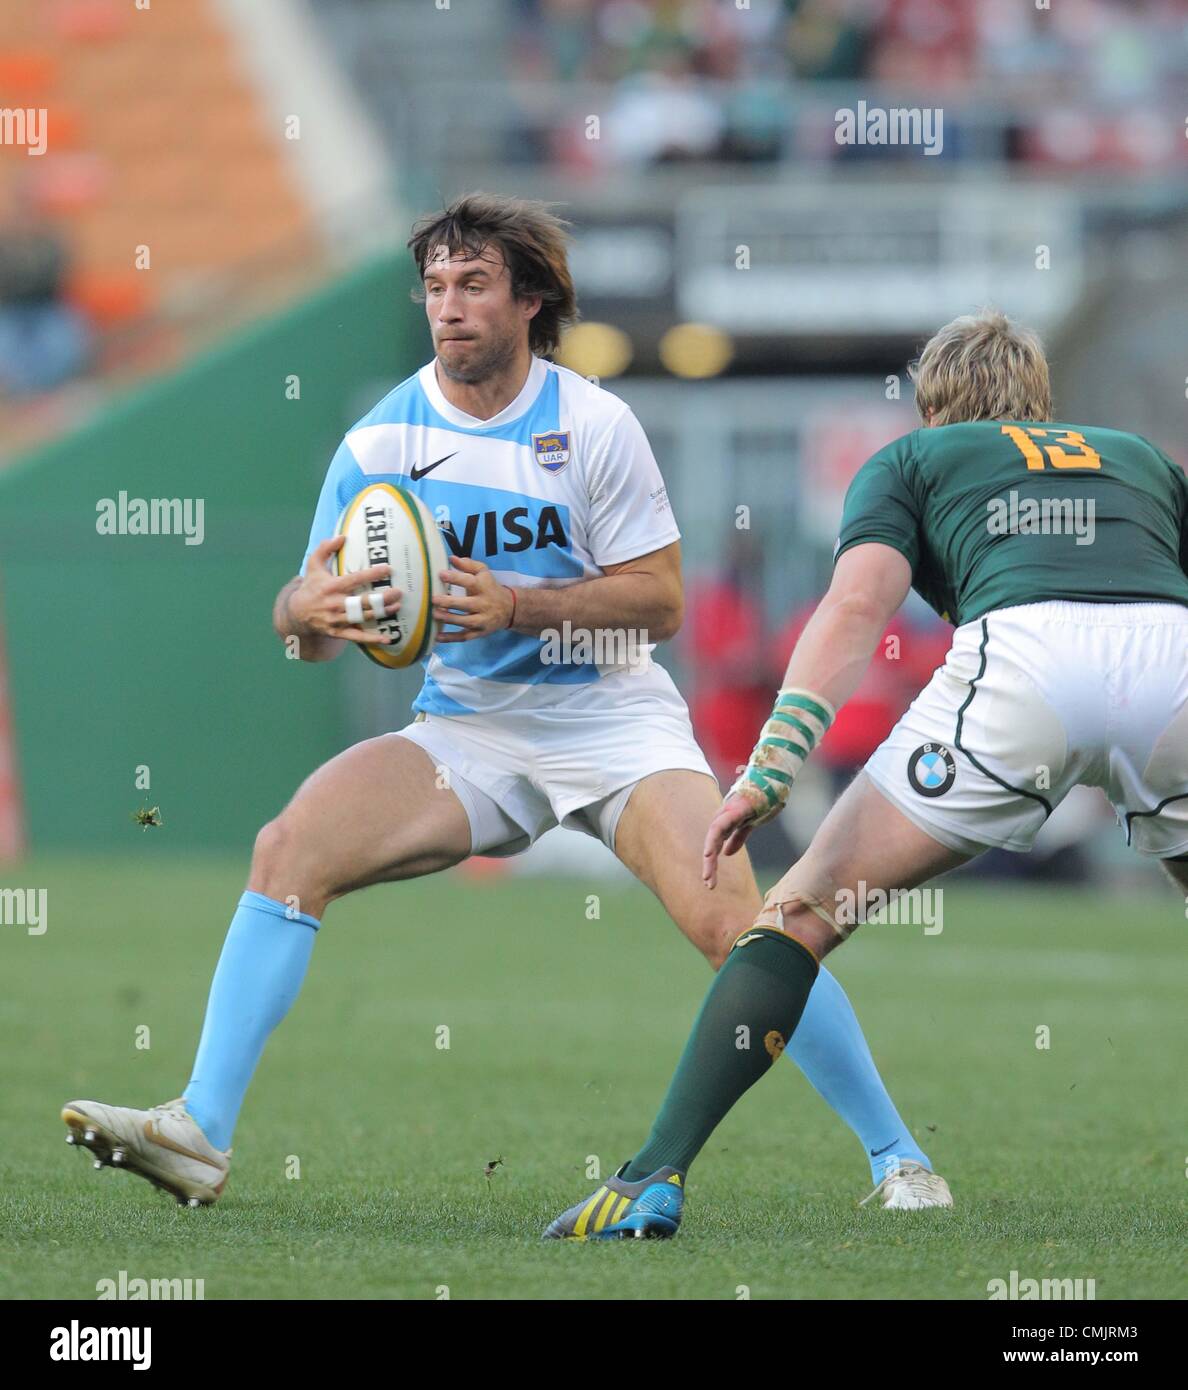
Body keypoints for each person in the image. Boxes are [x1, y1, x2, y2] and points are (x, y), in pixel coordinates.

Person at [60, 194, 946, 1214]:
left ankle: (898, 1157)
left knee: (738, 929)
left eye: (474, 283)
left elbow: (661, 601)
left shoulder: (592, 424)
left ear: (530, 300)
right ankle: (200, 1132)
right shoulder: (378, 445)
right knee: (287, 849)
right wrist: (298, 605)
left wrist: (520, 600)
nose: (450, 305)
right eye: (436, 285)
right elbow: (306, 630)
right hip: (469, 727)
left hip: (615, 722)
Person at [544, 308, 1188, 1239]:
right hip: (1171, 664)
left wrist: (771, 767)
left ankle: (653, 1177)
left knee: (799, 917)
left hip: (1029, 662)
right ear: (1043, 401)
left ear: (931, 404)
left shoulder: (915, 460)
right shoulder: (1135, 455)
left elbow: (854, 609)